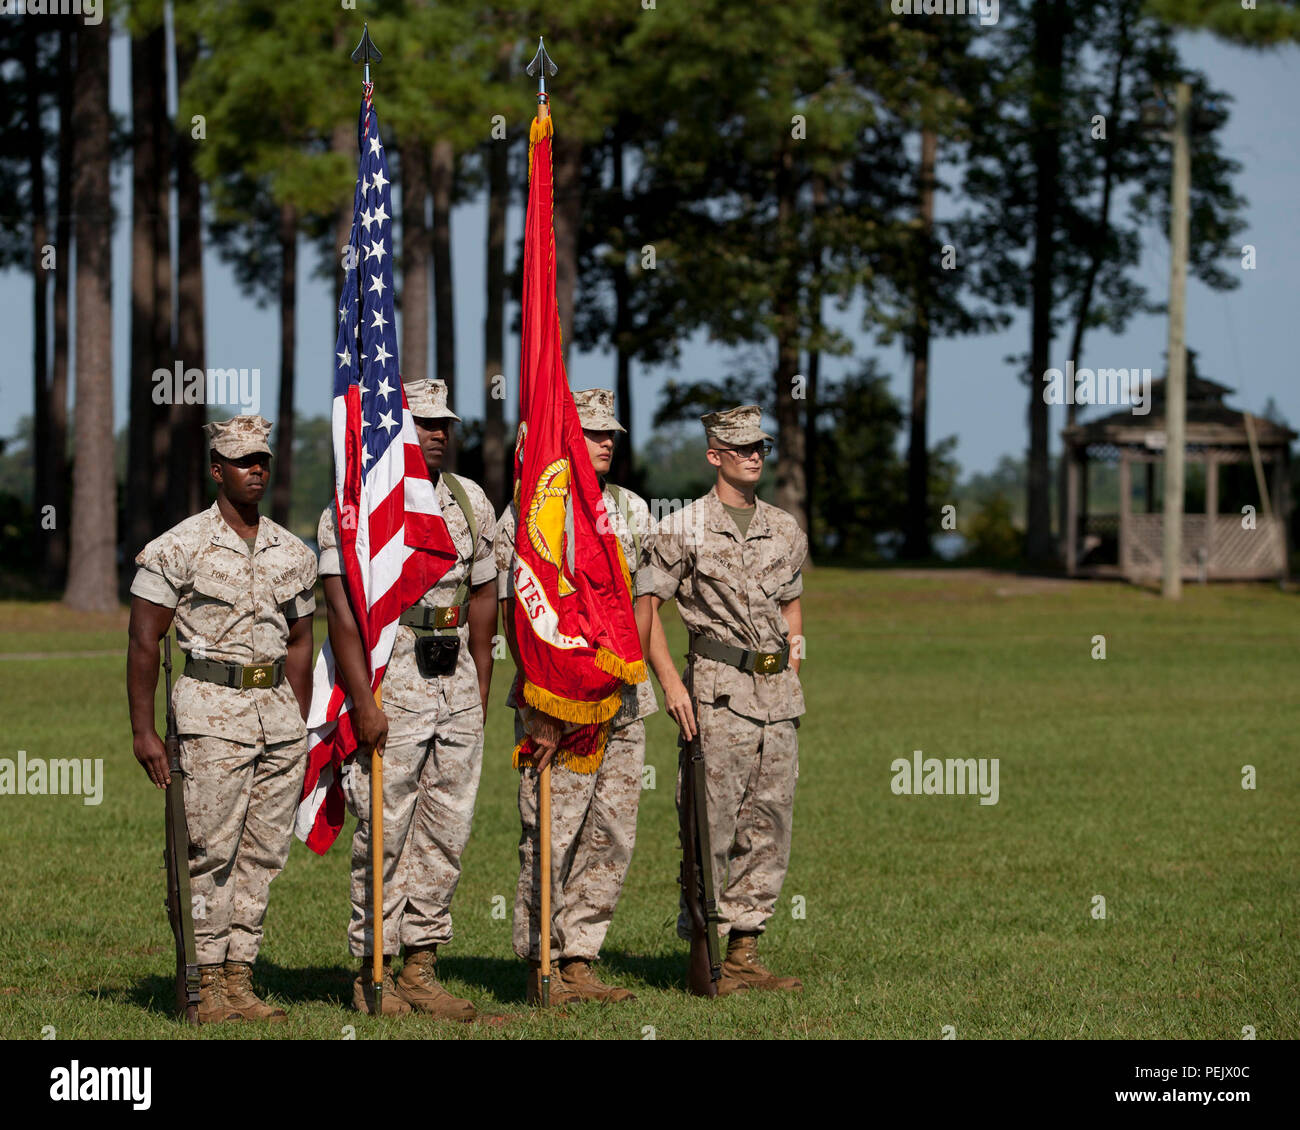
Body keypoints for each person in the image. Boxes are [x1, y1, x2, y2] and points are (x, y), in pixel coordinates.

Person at [316, 378, 497, 1021]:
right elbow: (339, 610)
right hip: (392, 680)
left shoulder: (470, 500)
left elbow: (482, 597)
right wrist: (363, 699)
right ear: (397, 429)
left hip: (454, 685)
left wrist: (479, 684)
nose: (440, 433)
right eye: (425, 424)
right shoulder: (359, 502)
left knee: (446, 831)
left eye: (445, 423)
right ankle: (375, 972)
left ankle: (422, 967)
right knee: (385, 831)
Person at [126, 415, 317, 1024]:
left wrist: (302, 721)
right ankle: (203, 985)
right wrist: (144, 732)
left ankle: (239, 979)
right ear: (217, 470)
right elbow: (142, 642)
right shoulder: (178, 546)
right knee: (207, 851)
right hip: (210, 716)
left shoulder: (293, 550)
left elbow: (300, 642)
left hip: (279, 720)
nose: (256, 470)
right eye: (242, 462)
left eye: (262, 459)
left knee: (263, 854)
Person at [494, 388, 655, 1004]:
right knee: (550, 830)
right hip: (553, 700)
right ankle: (540, 961)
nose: (607, 441)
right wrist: (538, 706)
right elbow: (518, 617)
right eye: (593, 434)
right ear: (566, 442)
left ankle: (581, 958)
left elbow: (642, 606)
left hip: (619, 699)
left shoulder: (633, 510)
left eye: (611, 432)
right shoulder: (532, 511)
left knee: (612, 831)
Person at [645, 405, 807, 996]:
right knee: (707, 828)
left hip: (778, 698)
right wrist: (670, 683)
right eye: (741, 449)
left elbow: (791, 601)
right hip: (715, 696)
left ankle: (744, 954)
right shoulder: (681, 527)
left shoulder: (785, 528)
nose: (754, 457)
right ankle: (704, 952)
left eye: (760, 447)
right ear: (714, 456)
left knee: (768, 825)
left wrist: (794, 657)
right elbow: (648, 612)